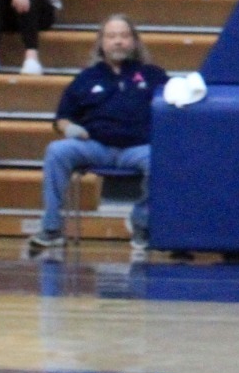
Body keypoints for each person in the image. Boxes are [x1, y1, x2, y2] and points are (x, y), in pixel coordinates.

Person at [26, 14, 167, 258]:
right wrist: (70, 129)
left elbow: (173, 105)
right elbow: (61, 119)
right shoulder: (86, 78)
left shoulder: (153, 75)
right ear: (101, 42)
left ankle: (141, 224)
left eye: (124, 36)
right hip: (95, 146)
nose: (118, 42)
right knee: (57, 151)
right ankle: (52, 228)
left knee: (161, 159)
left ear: (134, 41)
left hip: (138, 148)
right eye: (111, 36)